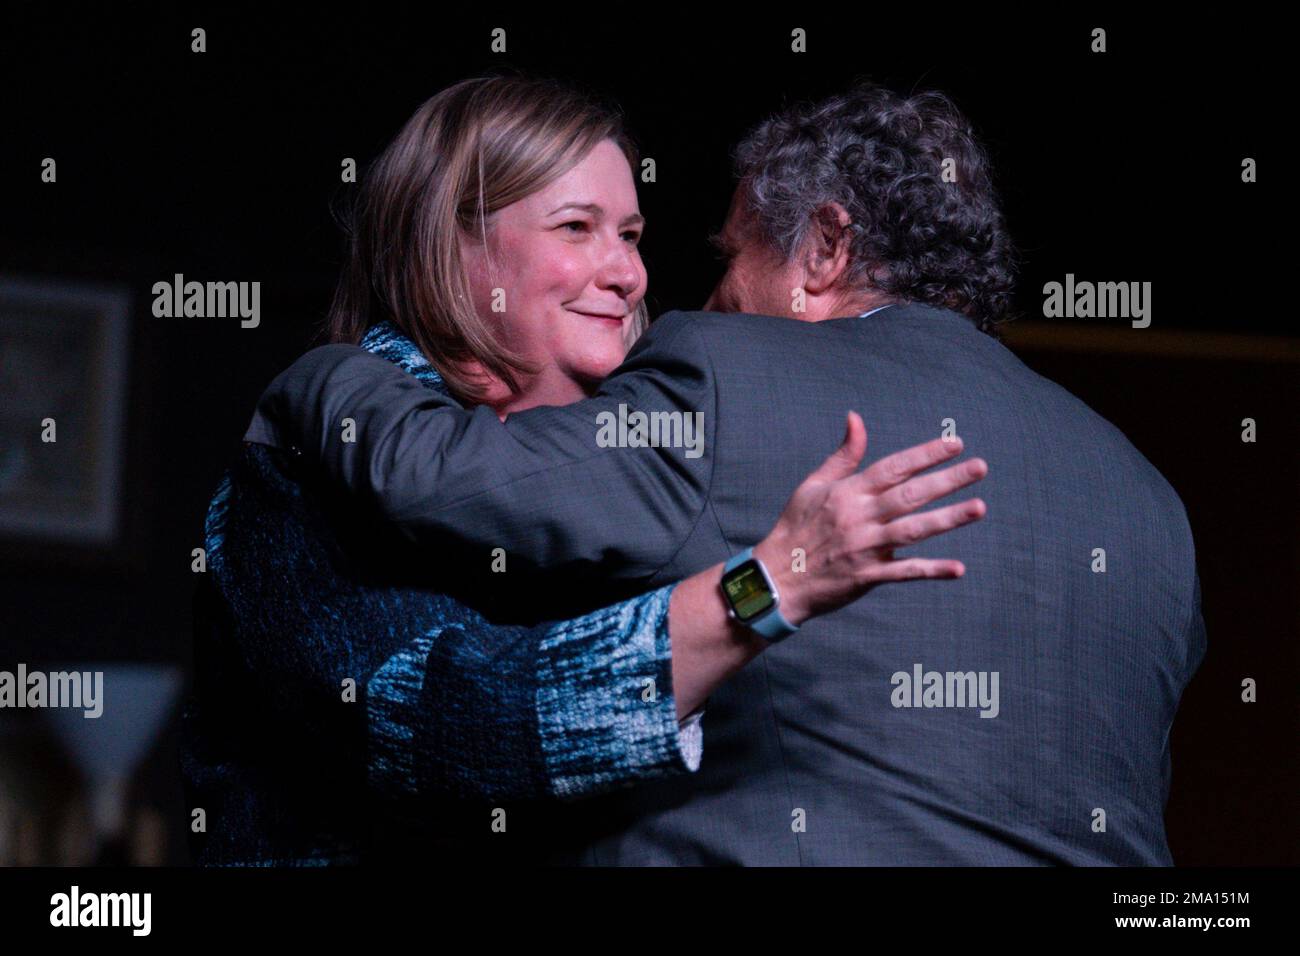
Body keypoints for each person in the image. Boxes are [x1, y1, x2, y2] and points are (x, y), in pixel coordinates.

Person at [253, 81, 1208, 865]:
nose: (684, 290)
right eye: (581, 227)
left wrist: (323, 374)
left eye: (728, 253)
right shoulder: (1147, 495)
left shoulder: (730, 376)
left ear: (825, 249)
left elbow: (442, 482)